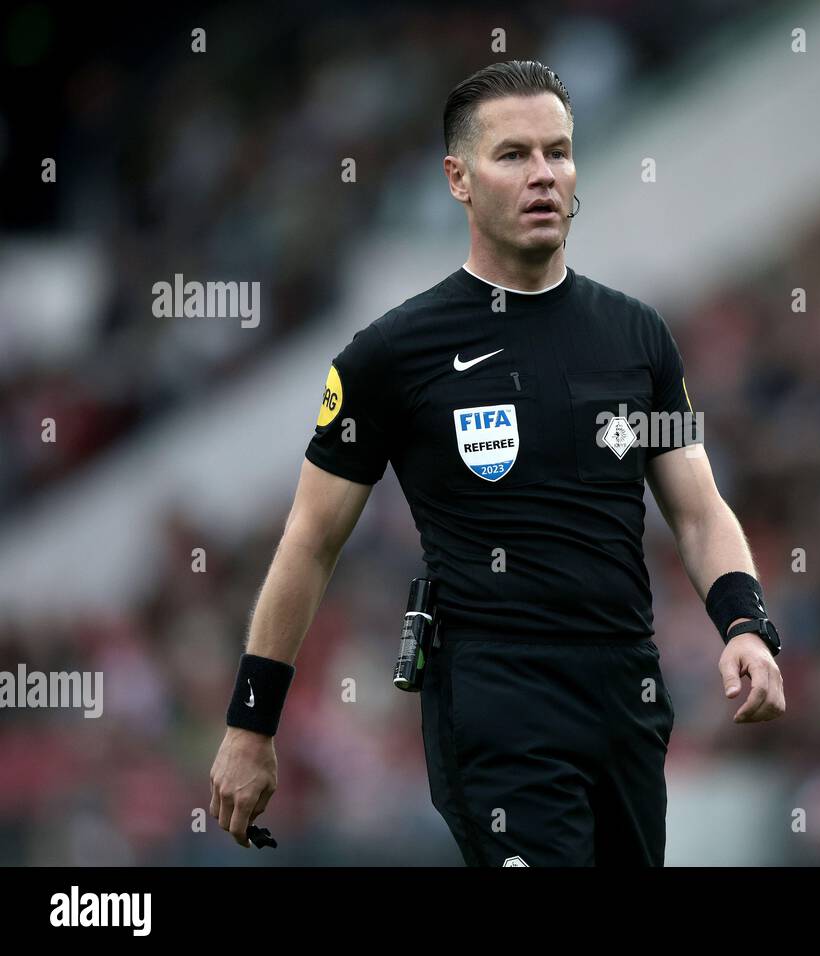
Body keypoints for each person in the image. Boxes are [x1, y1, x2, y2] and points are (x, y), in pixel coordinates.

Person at [209, 59, 785, 866]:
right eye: (514, 155)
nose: (544, 174)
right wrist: (250, 723)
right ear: (458, 179)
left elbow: (696, 508)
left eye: (559, 151)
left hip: (626, 693)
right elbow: (309, 541)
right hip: (494, 701)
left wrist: (745, 625)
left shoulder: (636, 336)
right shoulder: (391, 356)